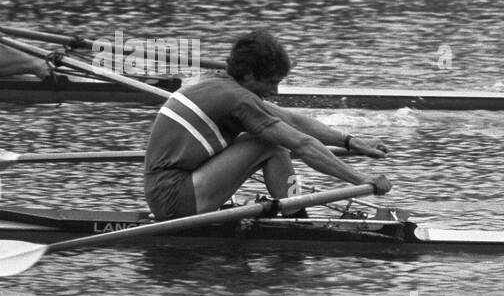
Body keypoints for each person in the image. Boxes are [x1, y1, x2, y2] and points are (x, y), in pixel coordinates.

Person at [143, 30, 391, 222]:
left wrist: (350, 141)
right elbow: (303, 145)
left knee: (273, 140)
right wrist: (362, 180)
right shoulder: (238, 99)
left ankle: (294, 211)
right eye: (272, 82)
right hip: (174, 200)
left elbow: (292, 120)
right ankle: (296, 217)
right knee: (270, 144)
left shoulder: (219, 83)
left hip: (170, 191)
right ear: (249, 75)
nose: (275, 91)